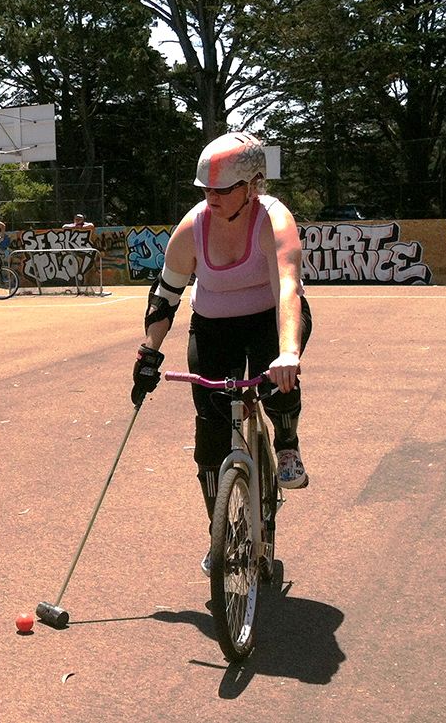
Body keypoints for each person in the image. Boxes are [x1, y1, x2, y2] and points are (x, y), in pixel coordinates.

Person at [129, 132, 313, 576]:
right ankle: (223, 533)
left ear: (251, 186)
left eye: (221, 189)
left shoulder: (274, 220)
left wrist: (288, 352)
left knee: (276, 381)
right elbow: (165, 296)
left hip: (270, 316)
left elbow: (288, 285)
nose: (210, 197)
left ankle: (286, 444)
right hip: (214, 324)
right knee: (211, 428)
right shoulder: (193, 227)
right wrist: (148, 354)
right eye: (205, 189)